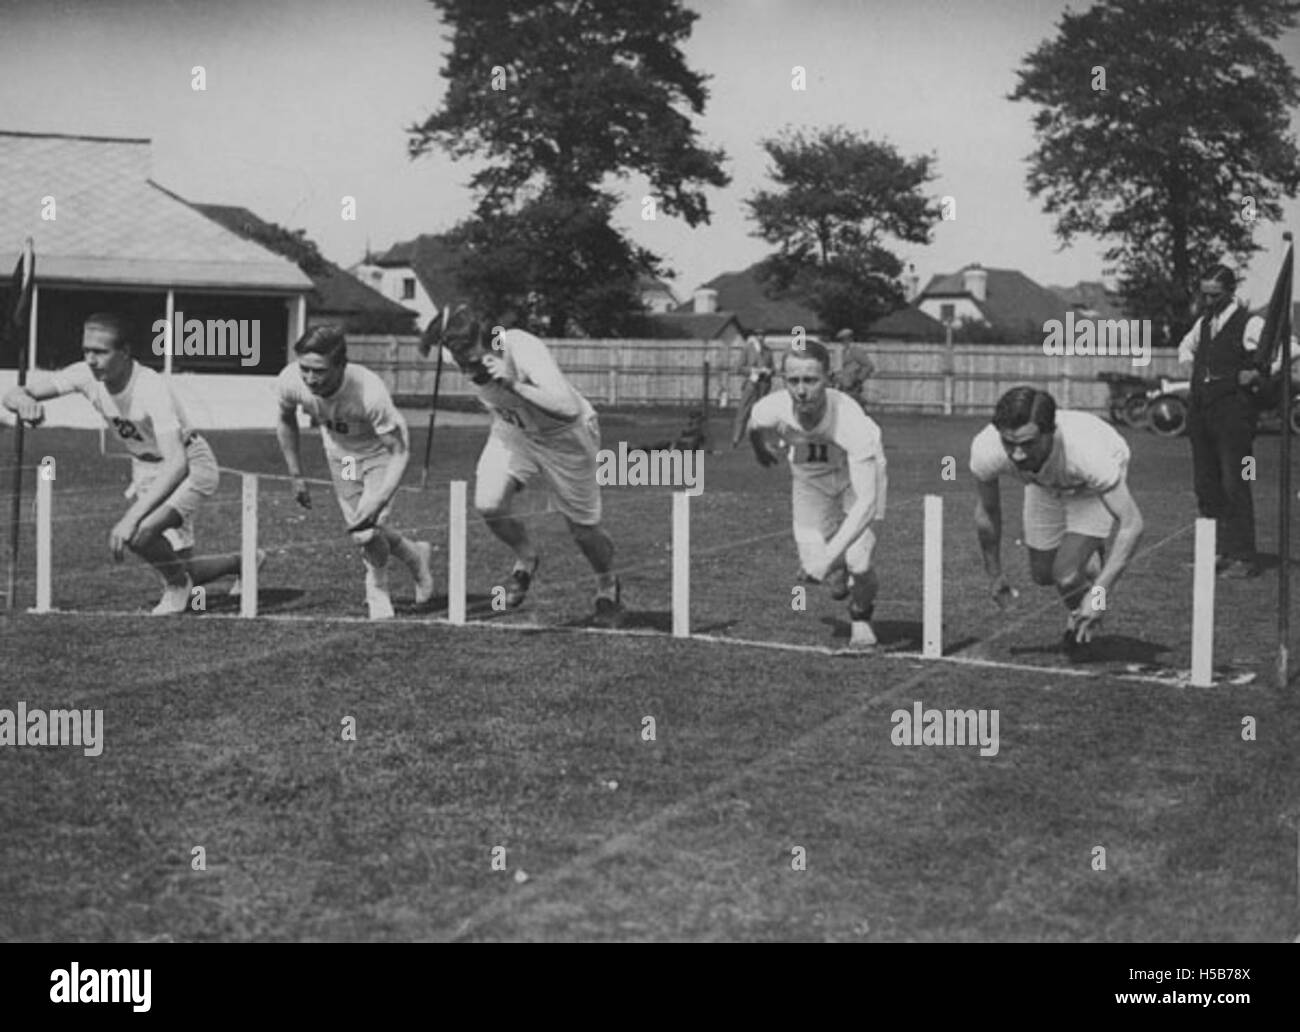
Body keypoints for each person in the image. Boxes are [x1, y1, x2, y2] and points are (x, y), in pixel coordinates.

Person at [2, 311, 243, 614]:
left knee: (141, 533)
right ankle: (244, 563)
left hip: (189, 466)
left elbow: (177, 463)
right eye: (86, 350)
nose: (91, 359)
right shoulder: (84, 374)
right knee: (182, 565)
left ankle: (178, 588)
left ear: (126, 351)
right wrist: (23, 401)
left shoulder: (151, 387)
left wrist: (130, 518)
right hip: (145, 467)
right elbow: (13, 394)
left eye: (100, 352)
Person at [420, 305, 625, 628]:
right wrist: (430, 339)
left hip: (565, 438)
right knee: (488, 503)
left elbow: (568, 408)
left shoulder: (522, 347)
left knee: (584, 530)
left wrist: (514, 384)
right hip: (513, 432)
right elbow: (440, 329)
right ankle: (526, 558)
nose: (468, 371)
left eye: (474, 362)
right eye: (461, 363)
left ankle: (607, 584)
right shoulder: (458, 350)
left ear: (492, 342)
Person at [970, 386, 1144, 657]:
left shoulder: (1089, 454)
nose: (1017, 455)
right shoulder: (986, 449)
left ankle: (1079, 624)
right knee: (1042, 575)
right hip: (1042, 484)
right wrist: (994, 576)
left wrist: (1098, 596)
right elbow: (988, 512)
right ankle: (1087, 559)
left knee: (1066, 576)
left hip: (1088, 487)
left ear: (1051, 431)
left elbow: (1132, 524)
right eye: (1009, 443)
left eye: (1028, 444)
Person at [275, 325, 433, 620]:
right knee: (364, 530)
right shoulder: (290, 380)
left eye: (319, 371)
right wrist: (297, 476)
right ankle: (416, 555)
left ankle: (377, 589)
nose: (310, 378)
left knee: (368, 527)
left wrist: (380, 499)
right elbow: (285, 421)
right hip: (344, 459)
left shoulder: (369, 393)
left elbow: (399, 452)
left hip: (380, 455)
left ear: (341, 365)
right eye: (305, 369)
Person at [748, 340, 887, 648]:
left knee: (859, 563)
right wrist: (760, 451)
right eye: (793, 380)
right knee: (813, 561)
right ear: (783, 381)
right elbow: (754, 426)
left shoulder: (852, 422)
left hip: (858, 476)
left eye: (810, 380)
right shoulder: (771, 407)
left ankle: (861, 614)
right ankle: (836, 568)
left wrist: (829, 558)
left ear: (829, 379)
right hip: (810, 477)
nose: (801, 390)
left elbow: (866, 503)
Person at [1177, 263, 1270, 578]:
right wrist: (1190, 365)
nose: (1208, 301)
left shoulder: (1250, 323)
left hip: (1235, 418)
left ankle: (1243, 557)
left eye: (1214, 295)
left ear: (1231, 292)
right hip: (1202, 415)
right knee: (1206, 485)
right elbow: (1185, 348)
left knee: (1236, 482)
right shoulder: (1204, 322)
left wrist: (1257, 371)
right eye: (1204, 295)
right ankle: (1215, 553)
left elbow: (1290, 349)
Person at [731, 332, 775, 447]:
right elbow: (739, 368)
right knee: (743, 411)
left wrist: (769, 371)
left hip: (764, 385)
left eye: (763, 335)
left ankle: (759, 440)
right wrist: (752, 370)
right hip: (751, 384)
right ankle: (736, 438)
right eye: (759, 335)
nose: (761, 337)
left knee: (761, 414)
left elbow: (773, 368)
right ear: (755, 336)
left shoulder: (768, 351)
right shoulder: (748, 349)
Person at [833, 328, 876, 413]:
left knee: (854, 409)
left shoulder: (855, 351)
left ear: (849, 339)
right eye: (841, 340)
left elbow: (869, 365)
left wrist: (859, 379)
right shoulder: (845, 351)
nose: (842, 342)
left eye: (844, 339)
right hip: (845, 385)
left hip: (853, 385)